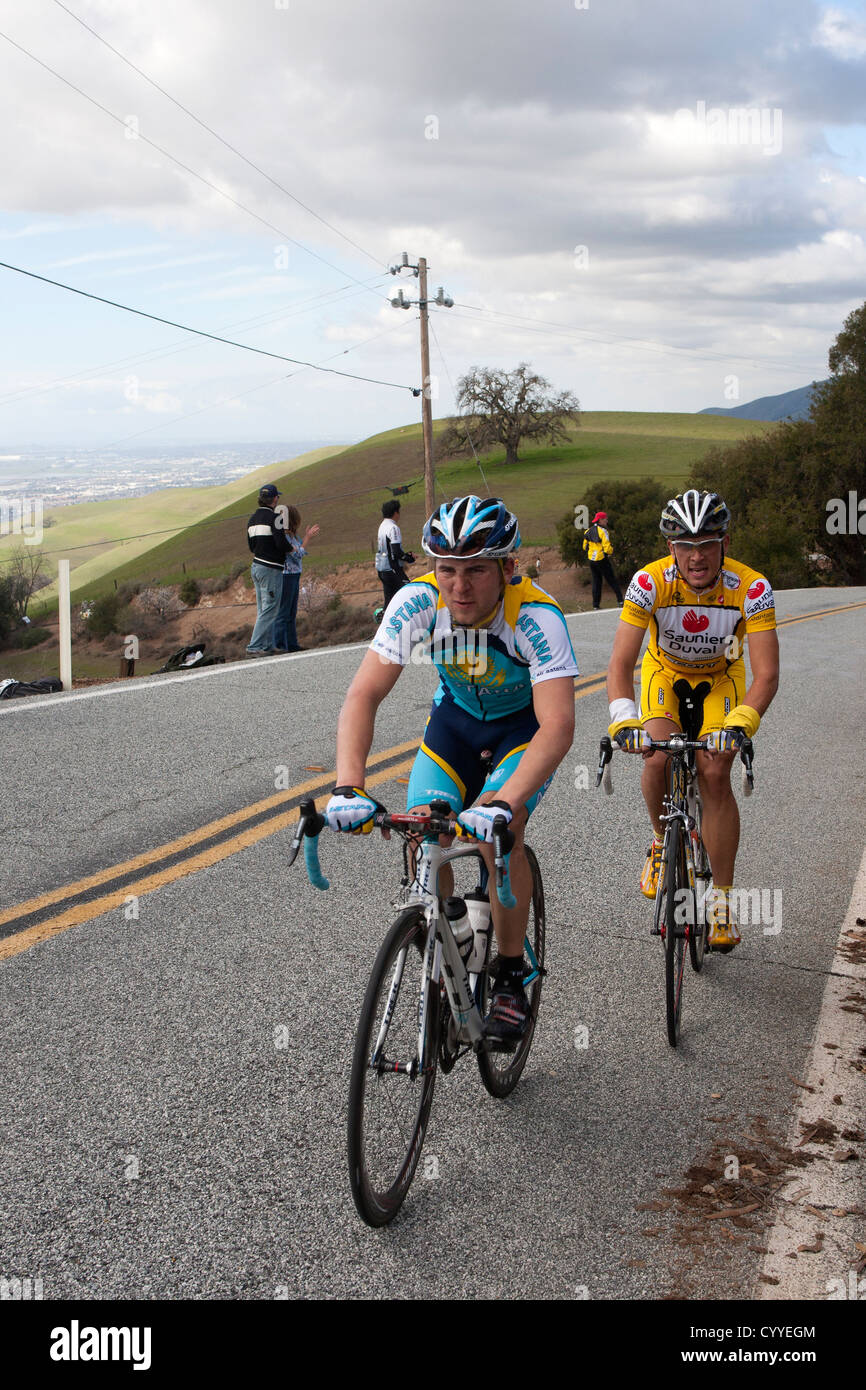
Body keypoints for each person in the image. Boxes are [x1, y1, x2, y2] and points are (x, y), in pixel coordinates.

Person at [324, 495, 579, 1040]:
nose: (458, 587)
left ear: (508, 569)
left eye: (476, 571)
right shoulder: (417, 604)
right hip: (455, 727)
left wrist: (505, 805)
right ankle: (456, 929)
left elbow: (557, 726)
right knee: (422, 830)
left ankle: (510, 972)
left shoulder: (536, 618)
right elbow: (363, 695)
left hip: (521, 733)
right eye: (447, 571)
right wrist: (348, 786)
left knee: (495, 839)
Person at [605, 489, 779, 951]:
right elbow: (621, 664)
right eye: (685, 545)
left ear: (725, 542)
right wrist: (624, 719)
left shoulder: (752, 588)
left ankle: (720, 902)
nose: (697, 556)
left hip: (723, 682)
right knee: (656, 757)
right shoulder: (649, 583)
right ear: (670, 548)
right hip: (666, 676)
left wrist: (742, 723)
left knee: (714, 771)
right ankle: (662, 843)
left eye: (707, 543)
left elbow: (767, 675)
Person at [246, 483, 288, 655]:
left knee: (263, 608)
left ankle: (266, 645)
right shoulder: (276, 518)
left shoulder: (252, 520)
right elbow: (281, 543)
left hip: (256, 565)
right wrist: (291, 549)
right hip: (271, 568)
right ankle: (255, 646)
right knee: (270, 608)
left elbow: (251, 546)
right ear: (275, 499)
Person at [272, 505, 319, 653]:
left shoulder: (292, 536)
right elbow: (297, 554)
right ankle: (279, 645)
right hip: (286, 575)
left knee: (291, 612)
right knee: (284, 612)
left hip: (294, 574)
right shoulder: (285, 537)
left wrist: (304, 539)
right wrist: (308, 538)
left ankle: (292, 644)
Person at [375, 500, 415, 608]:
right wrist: (409, 558)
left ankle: (384, 618)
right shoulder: (393, 528)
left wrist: (406, 555)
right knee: (409, 594)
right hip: (392, 569)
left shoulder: (382, 526)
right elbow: (396, 552)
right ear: (396, 513)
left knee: (390, 601)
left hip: (382, 569)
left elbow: (389, 550)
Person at [583, 510, 624, 609]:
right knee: (612, 580)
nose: (607, 521)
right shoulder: (603, 531)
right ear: (600, 520)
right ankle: (620, 601)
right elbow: (607, 547)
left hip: (592, 560)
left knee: (596, 582)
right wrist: (610, 551)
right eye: (605, 519)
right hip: (602, 559)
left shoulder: (587, 531)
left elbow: (584, 546)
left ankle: (595, 605)